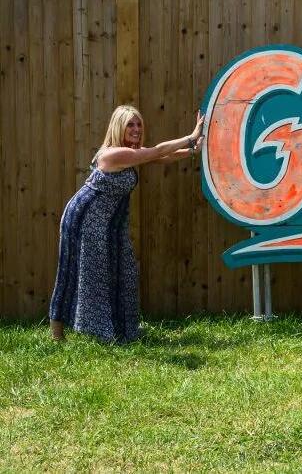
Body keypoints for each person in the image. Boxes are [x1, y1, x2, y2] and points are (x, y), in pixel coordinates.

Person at [48, 105, 205, 343]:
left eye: (139, 124)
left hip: (109, 222)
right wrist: (191, 137)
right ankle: (61, 337)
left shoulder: (129, 153)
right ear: (118, 127)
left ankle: (121, 330)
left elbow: (162, 157)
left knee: (125, 271)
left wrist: (193, 150)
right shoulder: (113, 154)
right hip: (85, 219)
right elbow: (157, 151)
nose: (136, 129)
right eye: (130, 124)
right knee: (77, 273)